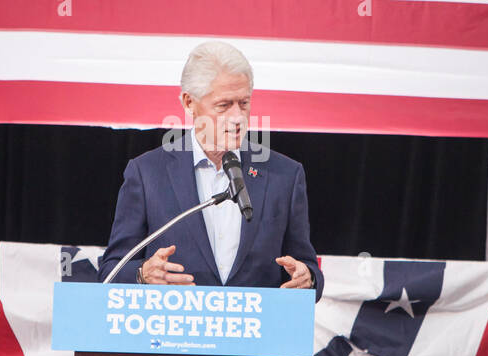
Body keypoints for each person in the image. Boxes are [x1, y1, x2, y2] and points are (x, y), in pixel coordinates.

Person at [100, 40, 324, 302]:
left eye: (243, 103)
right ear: (189, 103)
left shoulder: (285, 176)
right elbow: (110, 273)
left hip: (255, 337)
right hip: (176, 336)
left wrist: (306, 279)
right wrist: (141, 274)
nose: (237, 116)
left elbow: (308, 270)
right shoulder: (147, 174)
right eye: (224, 105)